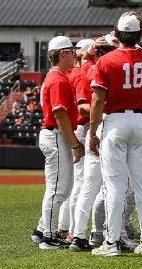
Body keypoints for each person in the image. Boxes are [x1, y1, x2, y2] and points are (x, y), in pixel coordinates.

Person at [88, 12, 142, 257]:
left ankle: (111, 243)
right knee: (141, 185)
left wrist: (91, 132)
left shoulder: (106, 60)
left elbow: (98, 100)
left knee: (115, 186)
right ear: (137, 33)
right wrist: (141, 21)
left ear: (117, 35)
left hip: (115, 121)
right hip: (139, 120)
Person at [68, 35, 120, 251]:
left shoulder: (107, 69)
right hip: (95, 127)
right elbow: (82, 107)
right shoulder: (87, 71)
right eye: (106, 49)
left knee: (106, 186)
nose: (111, 52)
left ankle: (104, 234)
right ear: (97, 52)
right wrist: (106, 113)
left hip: (105, 126)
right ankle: (80, 234)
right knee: (91, 185)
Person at [34, 36, 85, 250]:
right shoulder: (57, 79)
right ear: (62, 53)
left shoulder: (58, 77)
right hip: (56, 135)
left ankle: (40, 230)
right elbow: (61, 117)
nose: (75, 55)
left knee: (61, 188)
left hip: (55, 135)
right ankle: (47, 236)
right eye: (71, 51)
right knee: (58, 190)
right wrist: (75, 144)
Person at [57, 38, 96, 244]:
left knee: (75, 183)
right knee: (81, 183)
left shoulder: (69, 73)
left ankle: (66, 228)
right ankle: (72, 230)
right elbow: (83, 107)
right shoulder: (82, 73)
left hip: (77, 127)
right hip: (84, 126)